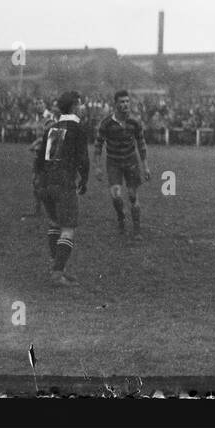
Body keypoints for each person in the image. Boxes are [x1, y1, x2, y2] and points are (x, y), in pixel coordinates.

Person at [37, 91, 90, 286]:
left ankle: (57, 267)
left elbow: (44, 157)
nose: (82, 108)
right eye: (81, 104)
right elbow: (83, 159)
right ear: (75, 106)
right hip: (64, 181)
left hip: (45, 181)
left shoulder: (53, 128)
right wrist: (84, 179)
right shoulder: (78, 128)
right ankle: (57, 274)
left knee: (54, 223)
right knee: (67, 228)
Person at [94, 90, 151, 240]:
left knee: (132, 196)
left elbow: (141, 144)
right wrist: (97, 166)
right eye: (122, 102)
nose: (125, 104)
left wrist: (146, 166)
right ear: (116, 104)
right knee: (116, 195)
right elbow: (98, 145)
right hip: (113, 162)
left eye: (127, 101)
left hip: (131, 161)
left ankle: (137, 229)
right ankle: (121, 217)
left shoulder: (135, 121)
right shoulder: (106, 123)